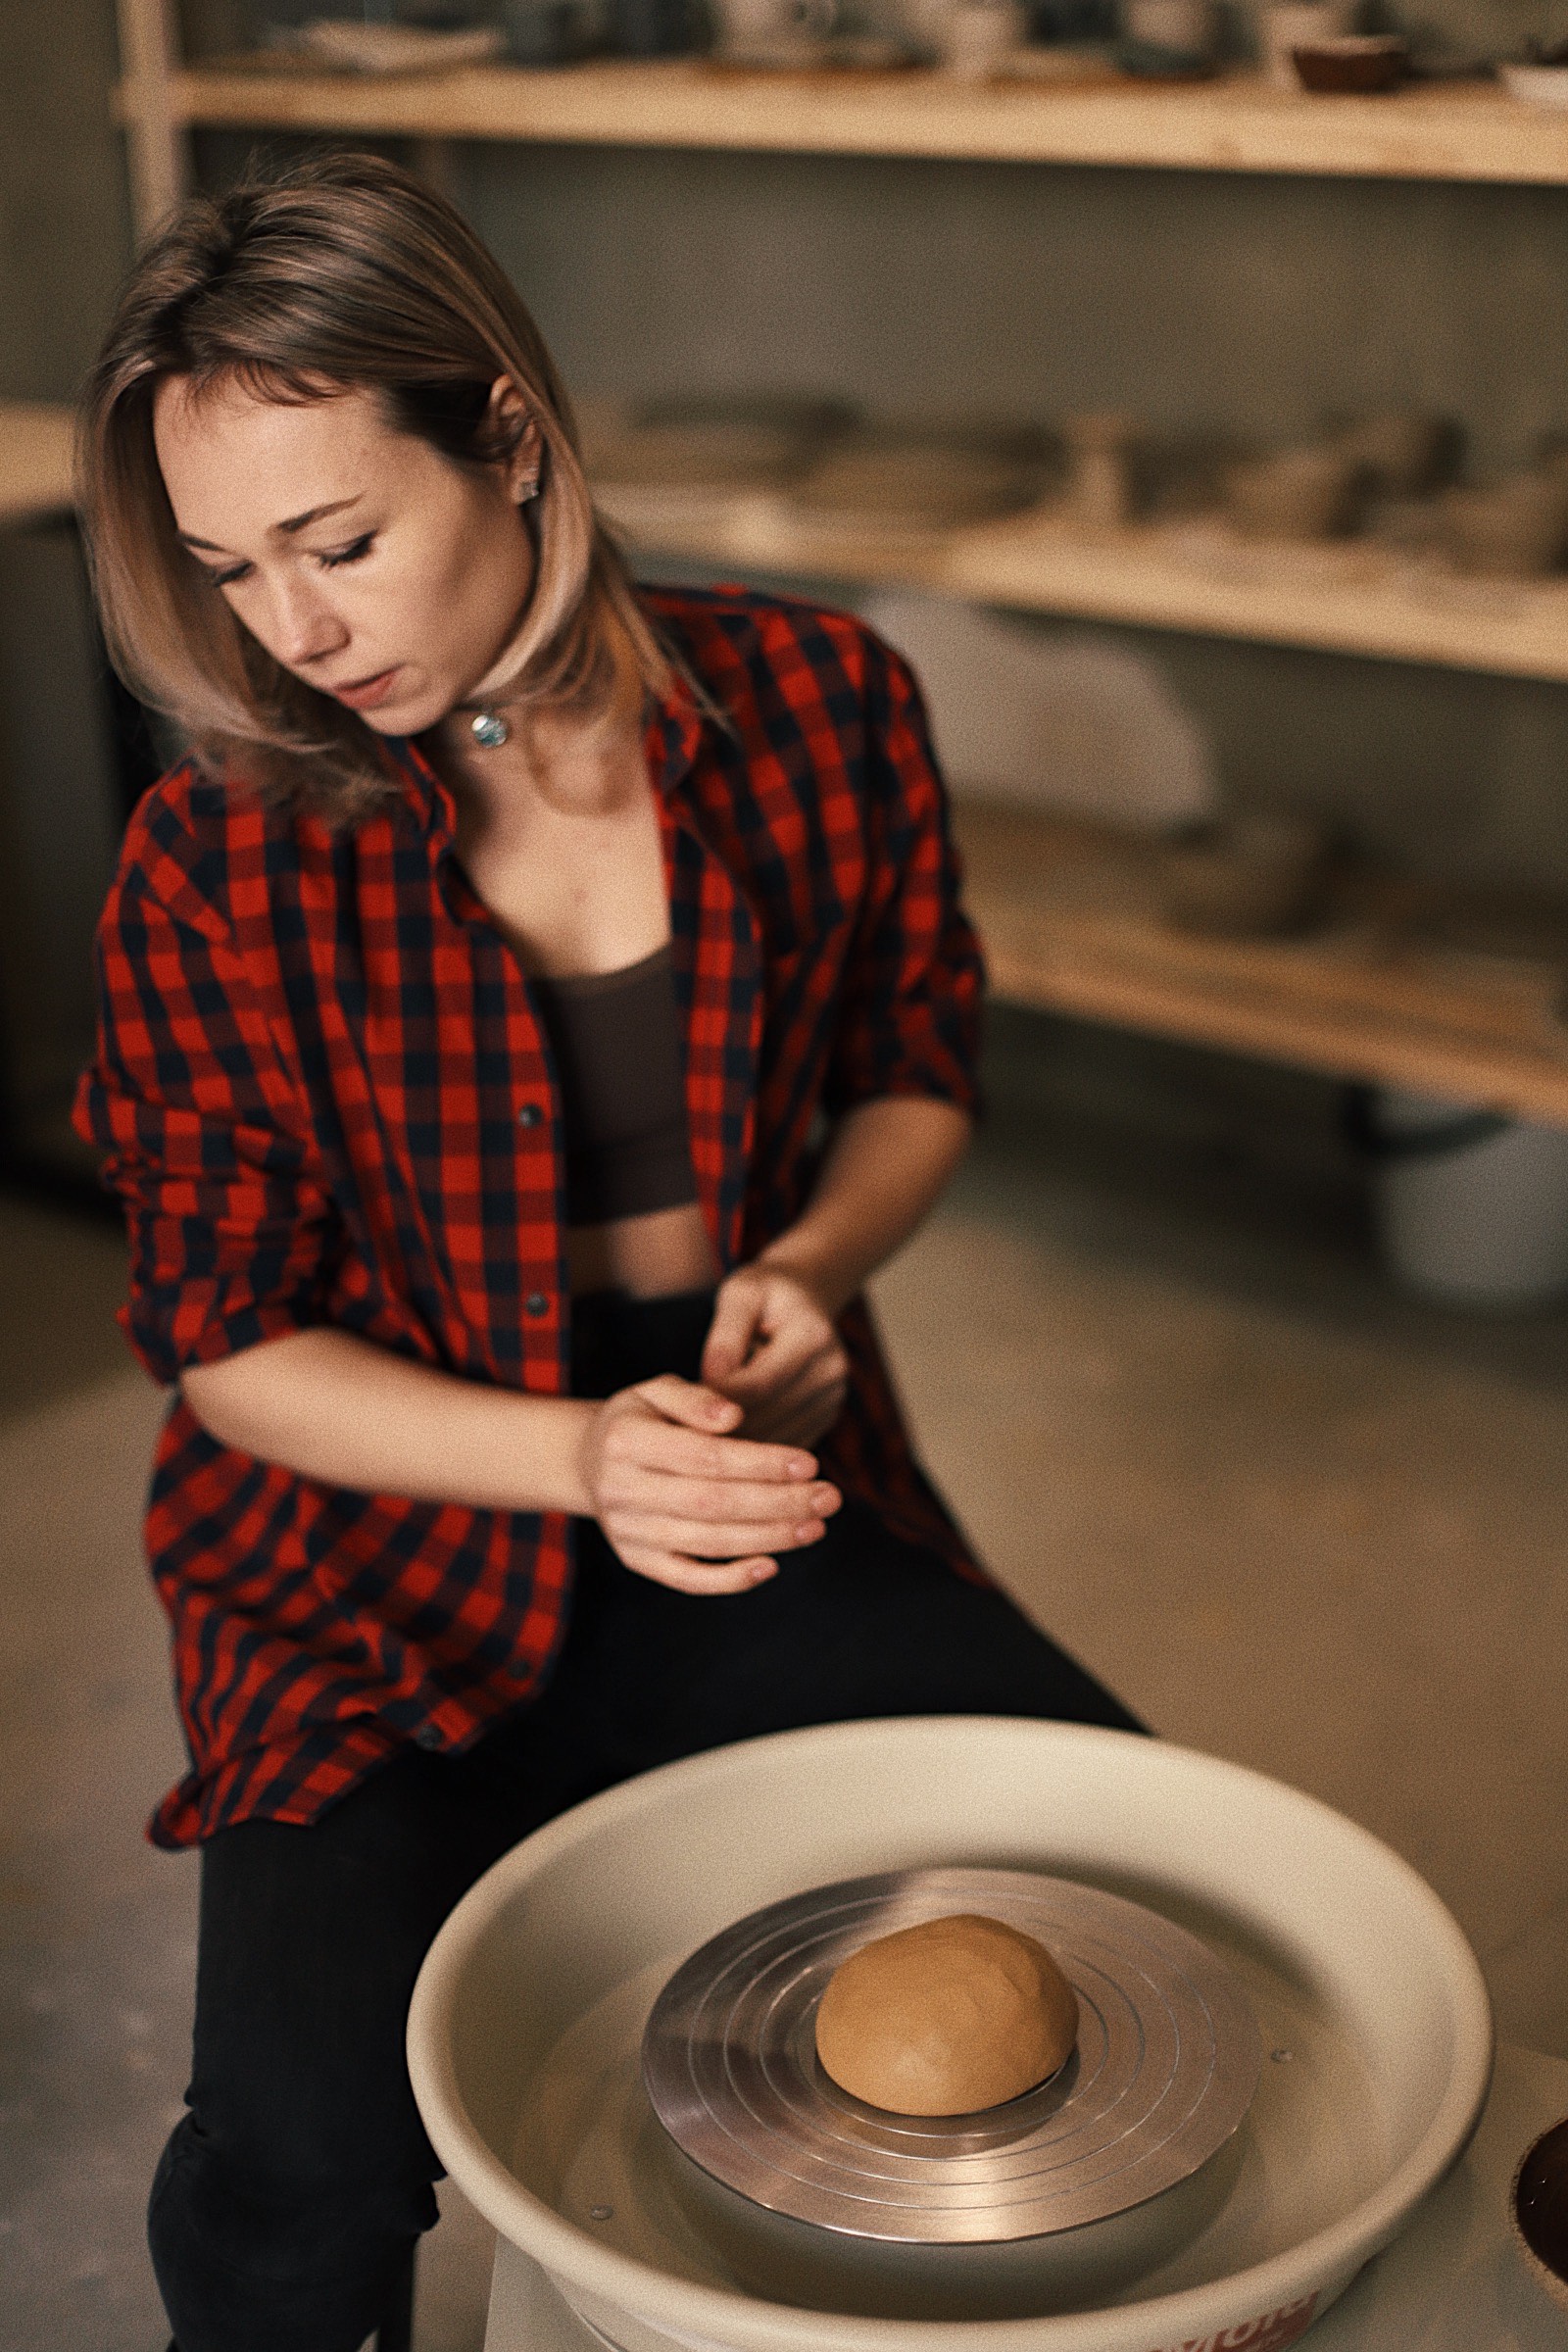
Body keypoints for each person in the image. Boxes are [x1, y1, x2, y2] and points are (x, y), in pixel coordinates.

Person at [74, 152, 1143, 2352]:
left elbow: (914, 1067)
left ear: (514, 439)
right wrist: (573, 1462)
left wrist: (819, 1269)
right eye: (227, 568)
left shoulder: (823, 708)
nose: (291, 632)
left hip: (735, 1451)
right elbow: (221, 1343)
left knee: (1130, 1881)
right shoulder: (216, 854)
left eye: (340, 540)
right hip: (361, 1534)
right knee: (305, 2165)